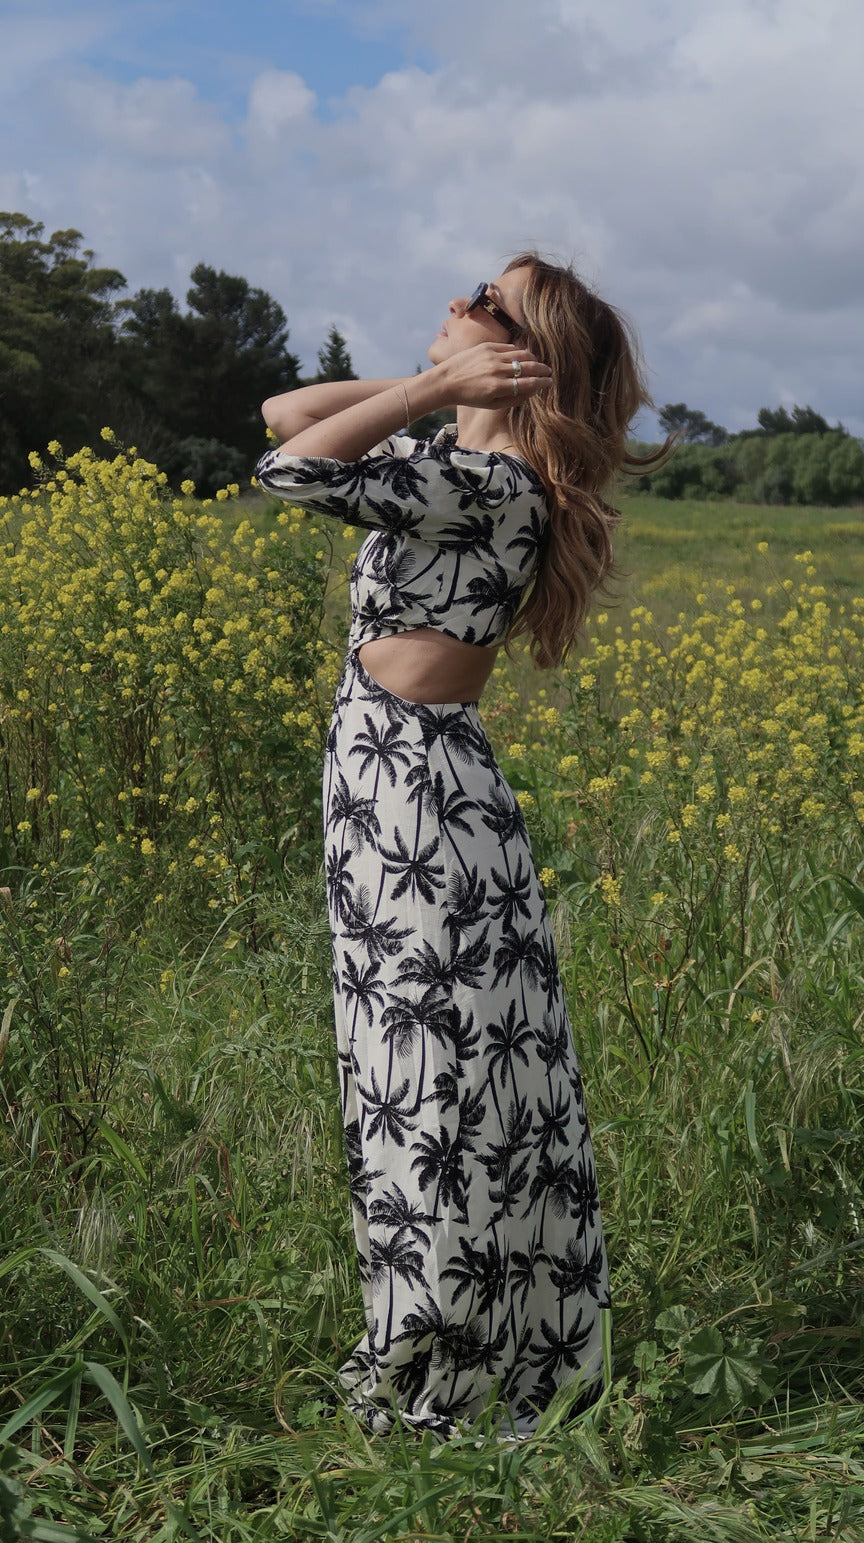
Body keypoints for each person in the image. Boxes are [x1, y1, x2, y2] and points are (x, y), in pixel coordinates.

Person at [255, 254, 662, 1438]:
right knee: (424, 1080)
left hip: (419, 801)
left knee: (428, 1093)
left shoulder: (490, 483)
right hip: (399, 788)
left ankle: (445, 1370)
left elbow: (284, 468)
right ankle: (455, 1348)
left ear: (516, 347)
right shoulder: (457, 460)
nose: (456, 298)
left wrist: (447, 394)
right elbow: (286, 412)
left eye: (484, 300)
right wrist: (449, 379)